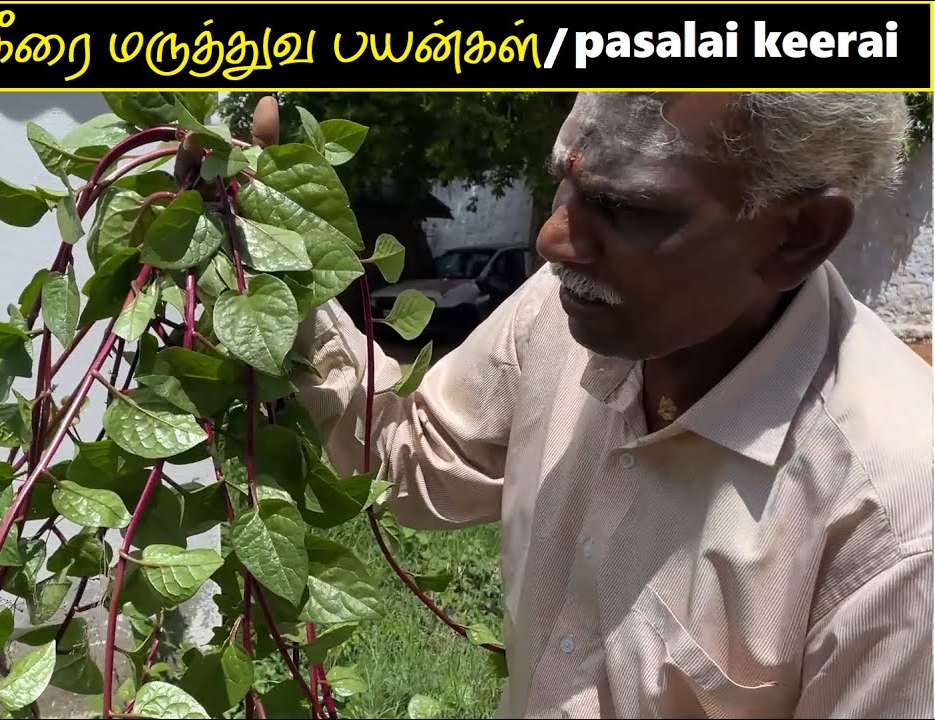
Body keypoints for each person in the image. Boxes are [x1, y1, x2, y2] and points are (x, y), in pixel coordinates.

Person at [291, 92, 933, 718]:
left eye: (623, 207)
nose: (553, 240)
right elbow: (419, 457)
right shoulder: (564, 311)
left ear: (798, 236)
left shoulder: (893, 519)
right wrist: (267, 252)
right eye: (565, 185)